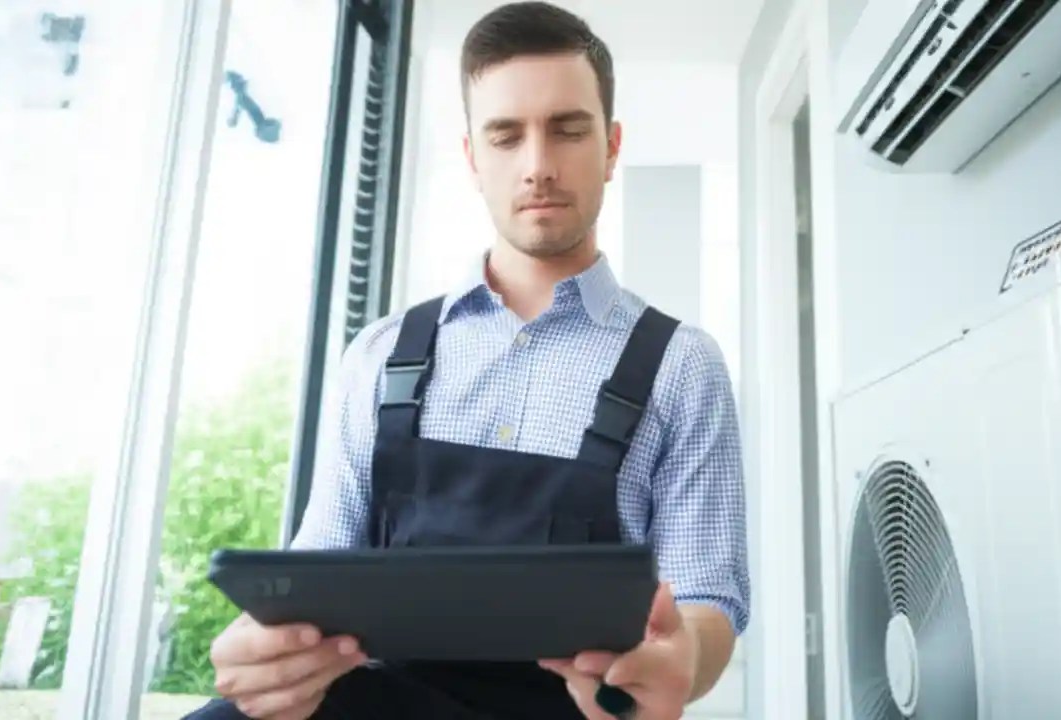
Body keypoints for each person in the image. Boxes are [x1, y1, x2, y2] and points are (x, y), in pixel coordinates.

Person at [185, 2, 749, 718]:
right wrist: (271, 650)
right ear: (473, 158)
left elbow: (705, 599)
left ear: (611, 148)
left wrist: (679, 662)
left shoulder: (682, 365)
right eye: (506, 136)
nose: (538, 166)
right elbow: (319, 556)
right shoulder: (379, 355)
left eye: (568, 130)